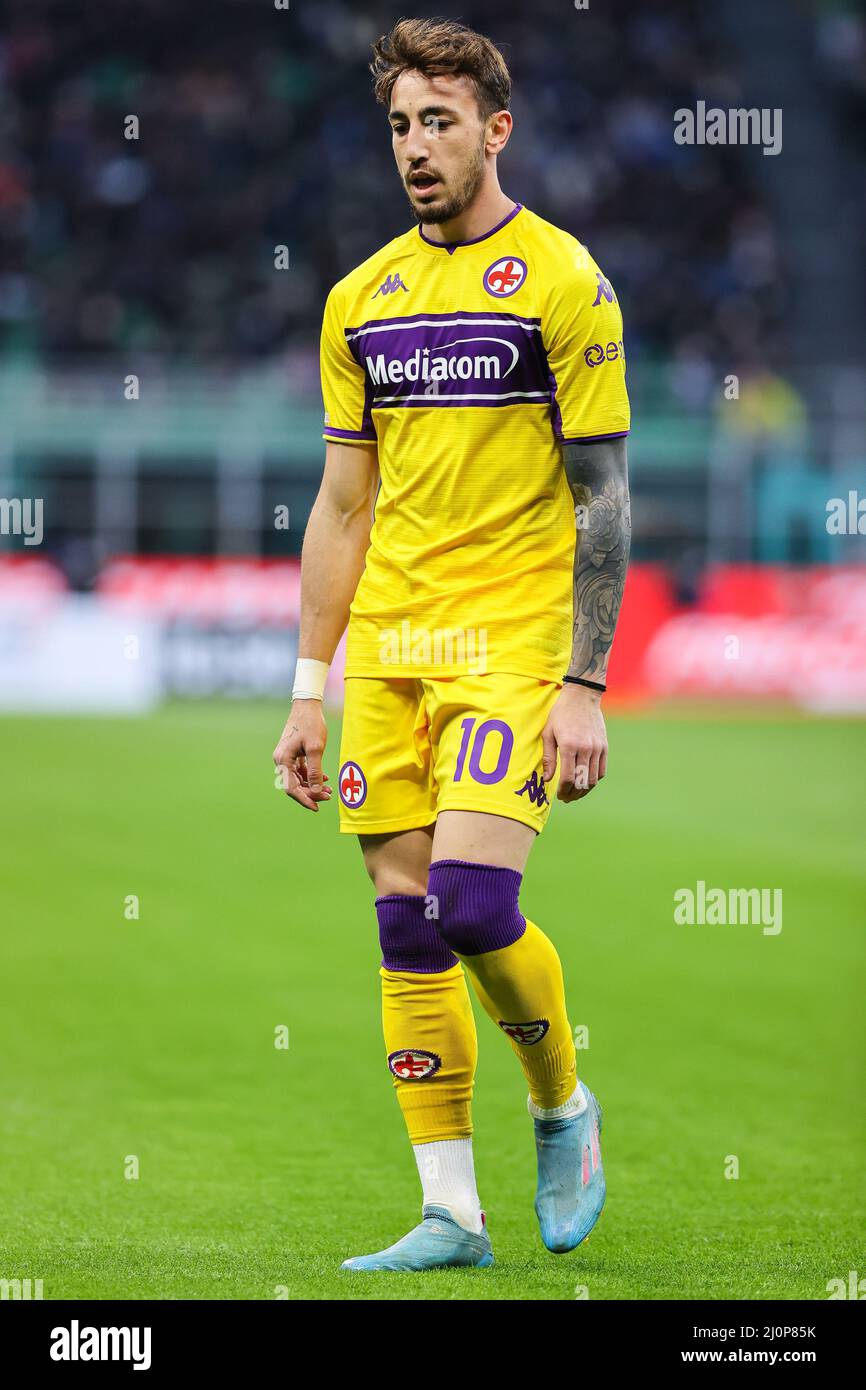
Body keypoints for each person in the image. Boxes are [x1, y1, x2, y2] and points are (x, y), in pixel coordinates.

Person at [273, 16, 631, 1273]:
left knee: (473, 905)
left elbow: (603, 500)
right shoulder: (357, 300)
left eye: (438, 121)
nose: (415, 148)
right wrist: (308, 687)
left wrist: (583, 682)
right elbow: (341, 505)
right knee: (403, 926)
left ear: (495, 129)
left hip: (512, 640)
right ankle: (449, 1212)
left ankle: (559, 1106)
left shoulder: (562, 282)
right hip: (385, 644)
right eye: (397, 126)